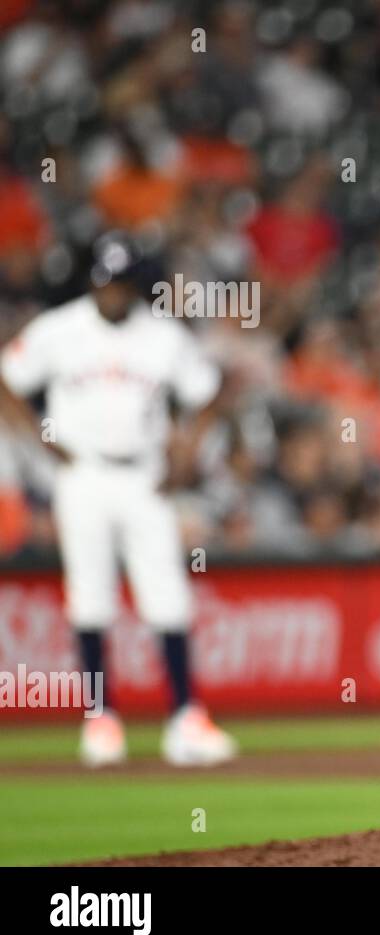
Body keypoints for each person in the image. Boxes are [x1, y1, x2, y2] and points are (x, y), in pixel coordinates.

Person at [0, 234, 237, 767]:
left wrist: (187, 450)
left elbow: (208, 391)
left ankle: (186, 717)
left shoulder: (162, 335)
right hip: (82, 473)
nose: (115, 295)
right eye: (107, 284)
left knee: (168, 595)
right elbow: (8, 378)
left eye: (124, 285)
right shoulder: (59, 330)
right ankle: (101, 719)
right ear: (92, 282)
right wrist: (38, 438)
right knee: (89, 596)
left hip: (146, 474)